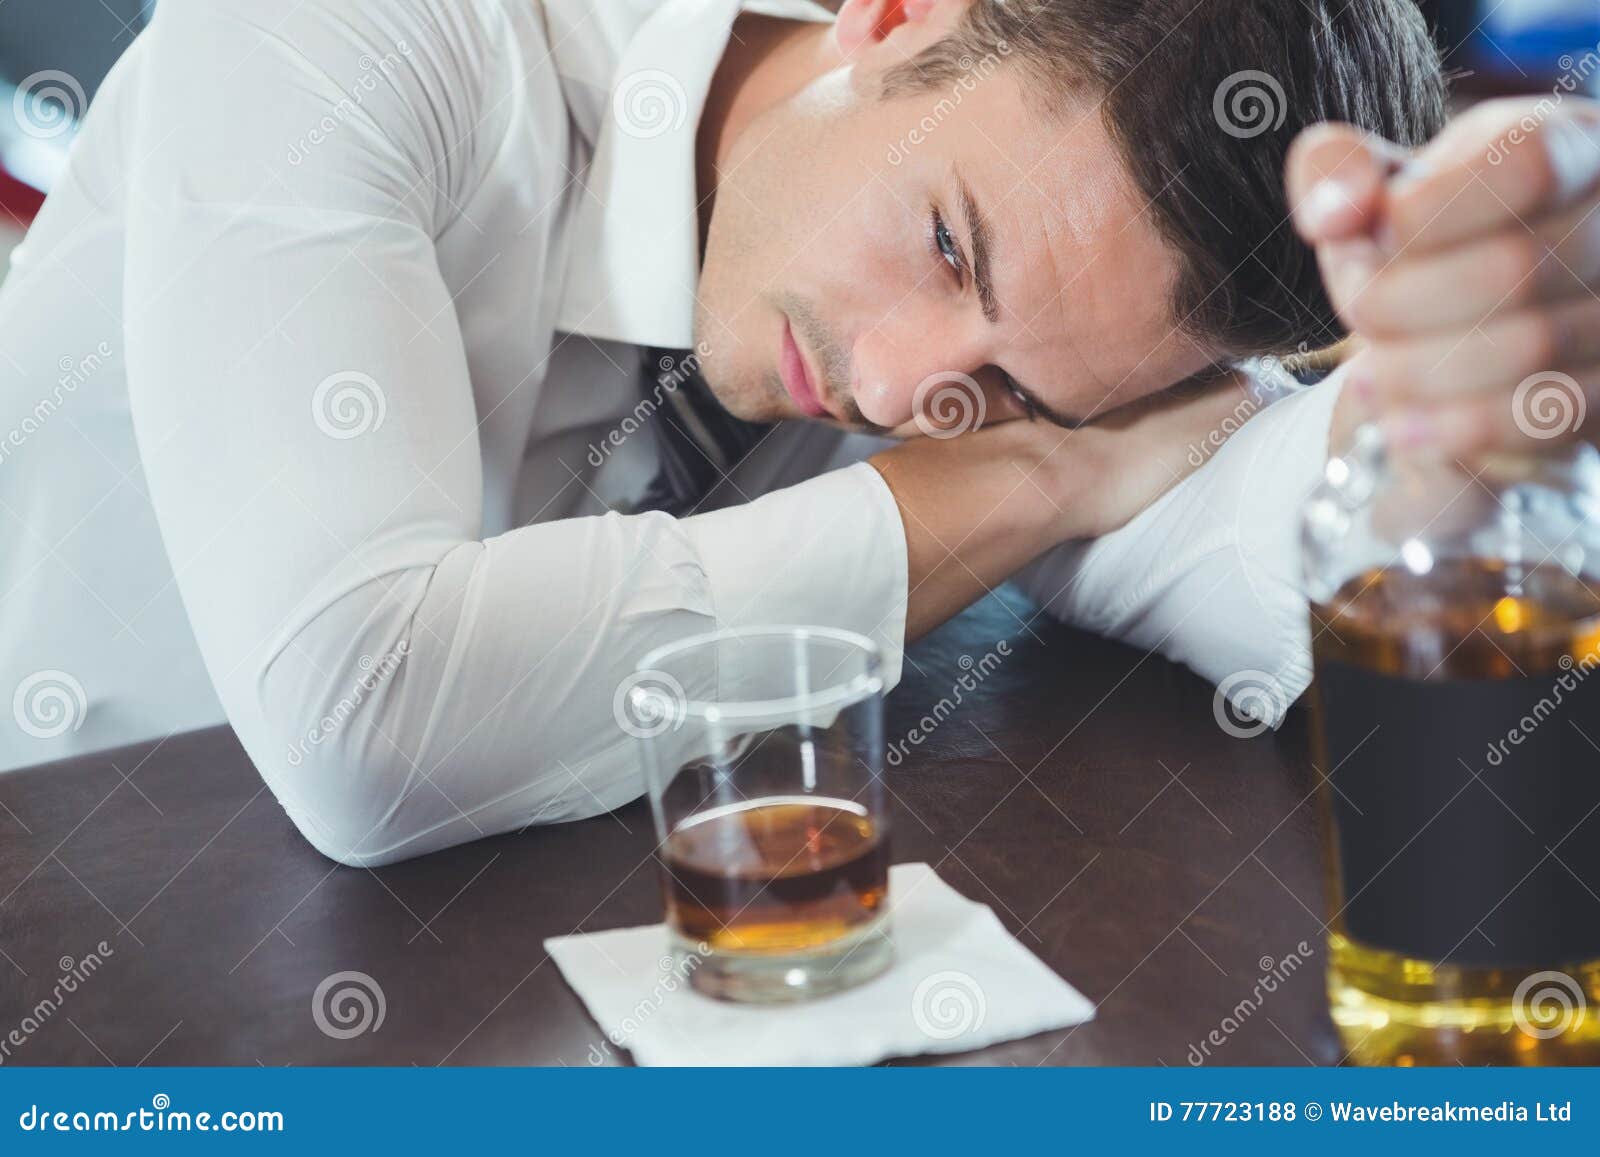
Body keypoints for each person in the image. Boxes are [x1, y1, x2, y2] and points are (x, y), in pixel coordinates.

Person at [0, 0, 1566, 867]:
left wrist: (1505, 401)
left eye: (1021, 393)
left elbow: (1295, 534)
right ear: (890, 17)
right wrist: (1030, 470)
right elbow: (365, 719)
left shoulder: (1037, 332)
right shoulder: (349, 35)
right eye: (951, 247)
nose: (900, 395)